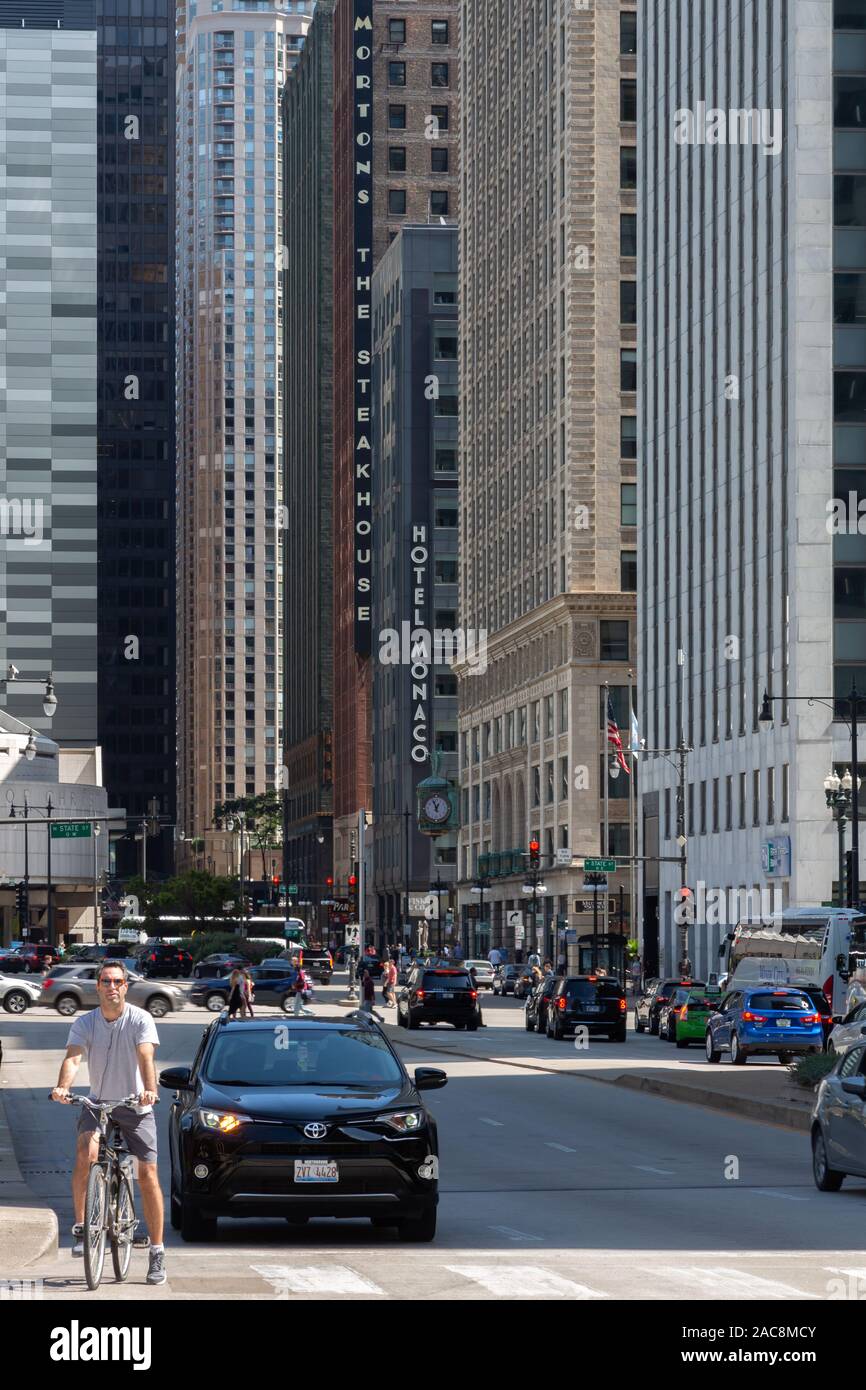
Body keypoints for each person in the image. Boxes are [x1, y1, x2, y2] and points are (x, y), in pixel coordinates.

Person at [50, 960, 167, 1286]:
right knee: (85, 1154)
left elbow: (146, 1057)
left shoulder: (140, 1019)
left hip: (134, 1104)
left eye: (118, 981)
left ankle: (157, 1250)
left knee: (147, 1174)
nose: (112, 986)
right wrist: (63, 1087)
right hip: (98, 1102)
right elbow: (73, 1057)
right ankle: (81, 1227)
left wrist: (150, 1091)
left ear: (125, 986)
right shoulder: (85, 1022)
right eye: (106, 981)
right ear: (97, 986)